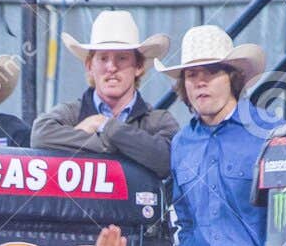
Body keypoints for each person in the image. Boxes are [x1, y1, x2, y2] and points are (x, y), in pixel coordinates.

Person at [159, 25, 273, 246]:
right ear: (184, 85)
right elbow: (185, 220)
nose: (201, 82)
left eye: (211, 72)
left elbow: (284, 218)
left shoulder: (270, 133)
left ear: (232, 77)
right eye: (191, 74)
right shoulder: (181, 142)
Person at [30, 10, 177, 178]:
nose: (112, 67)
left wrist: (107, 126)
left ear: (139, 66)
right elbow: (39, 135)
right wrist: (117, 145)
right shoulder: (69, 113)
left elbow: (167, 160)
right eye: (103, 58)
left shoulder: (159, 120)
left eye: (122, 58)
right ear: (89, 65)